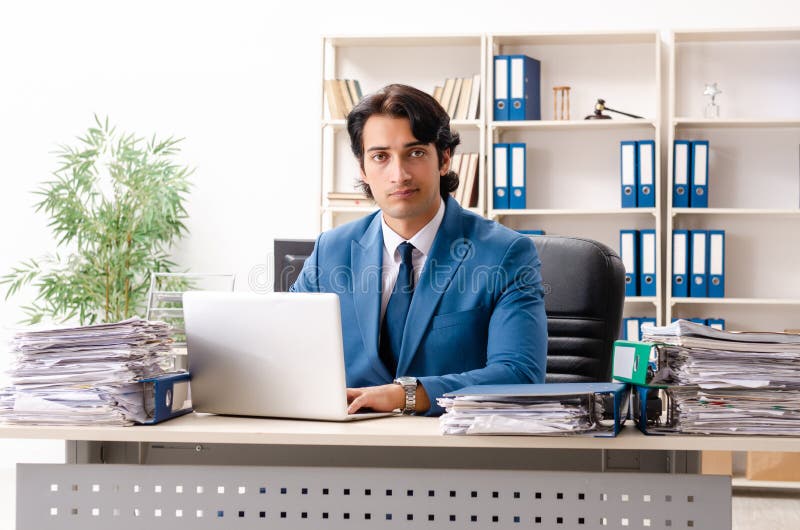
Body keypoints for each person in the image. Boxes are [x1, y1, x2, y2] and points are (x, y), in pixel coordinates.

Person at [291, 84, 547, 416]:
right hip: (346, 449)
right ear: (362, 169)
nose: (399, 175)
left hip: (453, 451)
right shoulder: (331, 251)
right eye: (380, 157)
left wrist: (405, 395)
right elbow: (286, 351)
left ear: (443, 158)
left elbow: (520, 375)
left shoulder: (506, 254)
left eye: (415, 153)